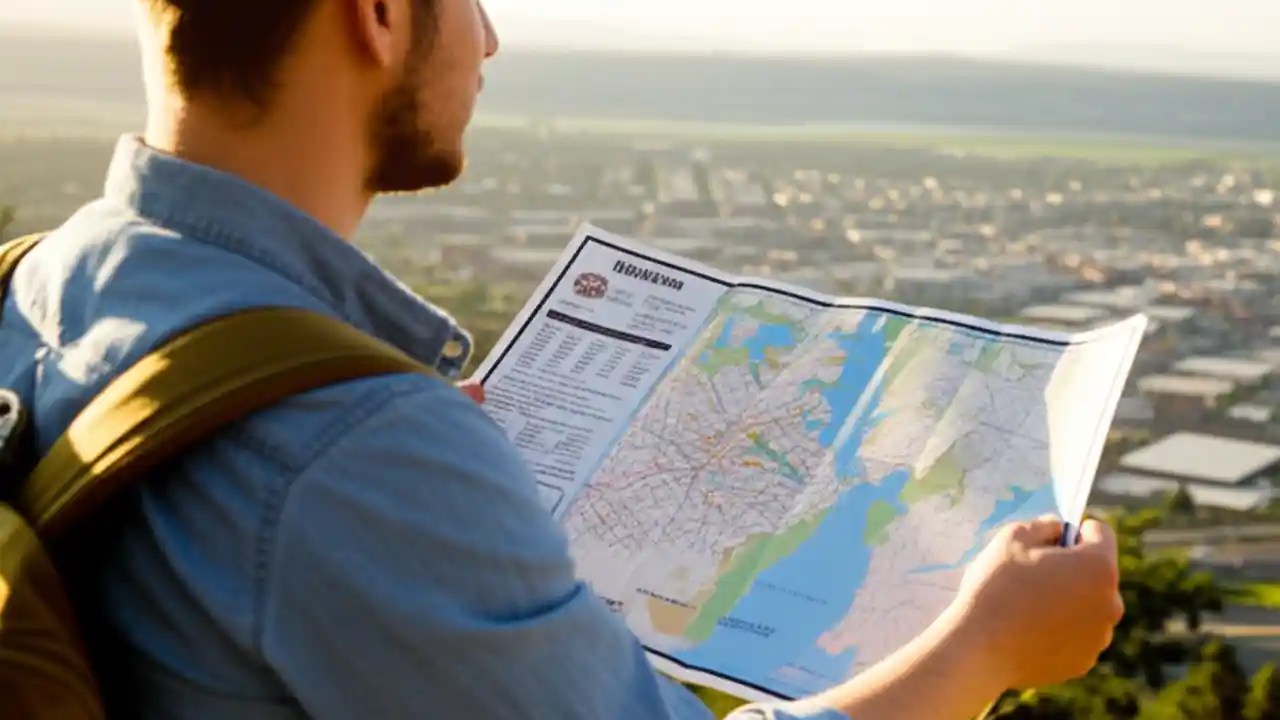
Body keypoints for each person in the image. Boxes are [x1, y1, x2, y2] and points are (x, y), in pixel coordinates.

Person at [0, 1, 1124, 718]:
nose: (488, 39)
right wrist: (984, 647)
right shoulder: (350, 447)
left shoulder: (31, 287)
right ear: (377, 17)